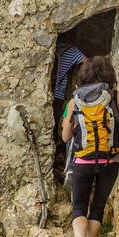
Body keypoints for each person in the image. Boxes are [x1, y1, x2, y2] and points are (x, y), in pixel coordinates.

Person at [60, 55, 119, 237]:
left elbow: (65, 136)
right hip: (110, 161)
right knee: (98, 207)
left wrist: (67, 123)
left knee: (79, 206)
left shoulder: (74, 101)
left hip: (82, 161)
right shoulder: (116, 96)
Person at [52, 40, 86, 174]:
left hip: (49, 93)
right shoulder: (71, 50)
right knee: (57, 126)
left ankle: (54, 158)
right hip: (58, 95)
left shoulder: (56, 49)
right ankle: (58, 158)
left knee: (52, 128)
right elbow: (88, 63)